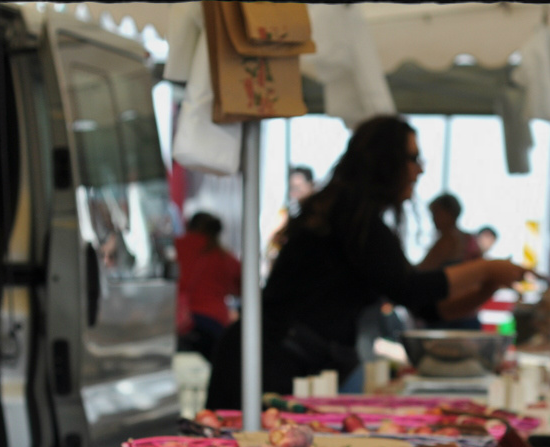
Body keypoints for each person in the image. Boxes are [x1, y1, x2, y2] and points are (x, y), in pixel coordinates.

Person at [205, 115, 527, 409]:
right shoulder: (351, 216)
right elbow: (411, 290)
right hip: (265, 364)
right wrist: (486, 269)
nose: (421, 169)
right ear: (385, 162)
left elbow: (430, 307)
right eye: (413, 158)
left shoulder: (353, 215)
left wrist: (491, 283)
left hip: (282, 362)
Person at [175, 212, 241, 363]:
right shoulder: (224, 256)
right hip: (212, 323)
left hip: (177, 321)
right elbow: (243, 287)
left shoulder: (176, 246)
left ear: (189, 226)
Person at [417, 193, 485, 330]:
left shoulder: (448, 240)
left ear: (448, 213)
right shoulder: (470, 239)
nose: (433, 219)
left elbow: (421, 272)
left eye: (435, 213)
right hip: (469, 311)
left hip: (448, 314)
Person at [265, 165, 317, 269]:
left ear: (311, 185)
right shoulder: (287, 214)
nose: (294, 192)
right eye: (292, 188)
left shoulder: (318, 214)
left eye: (298, 187)